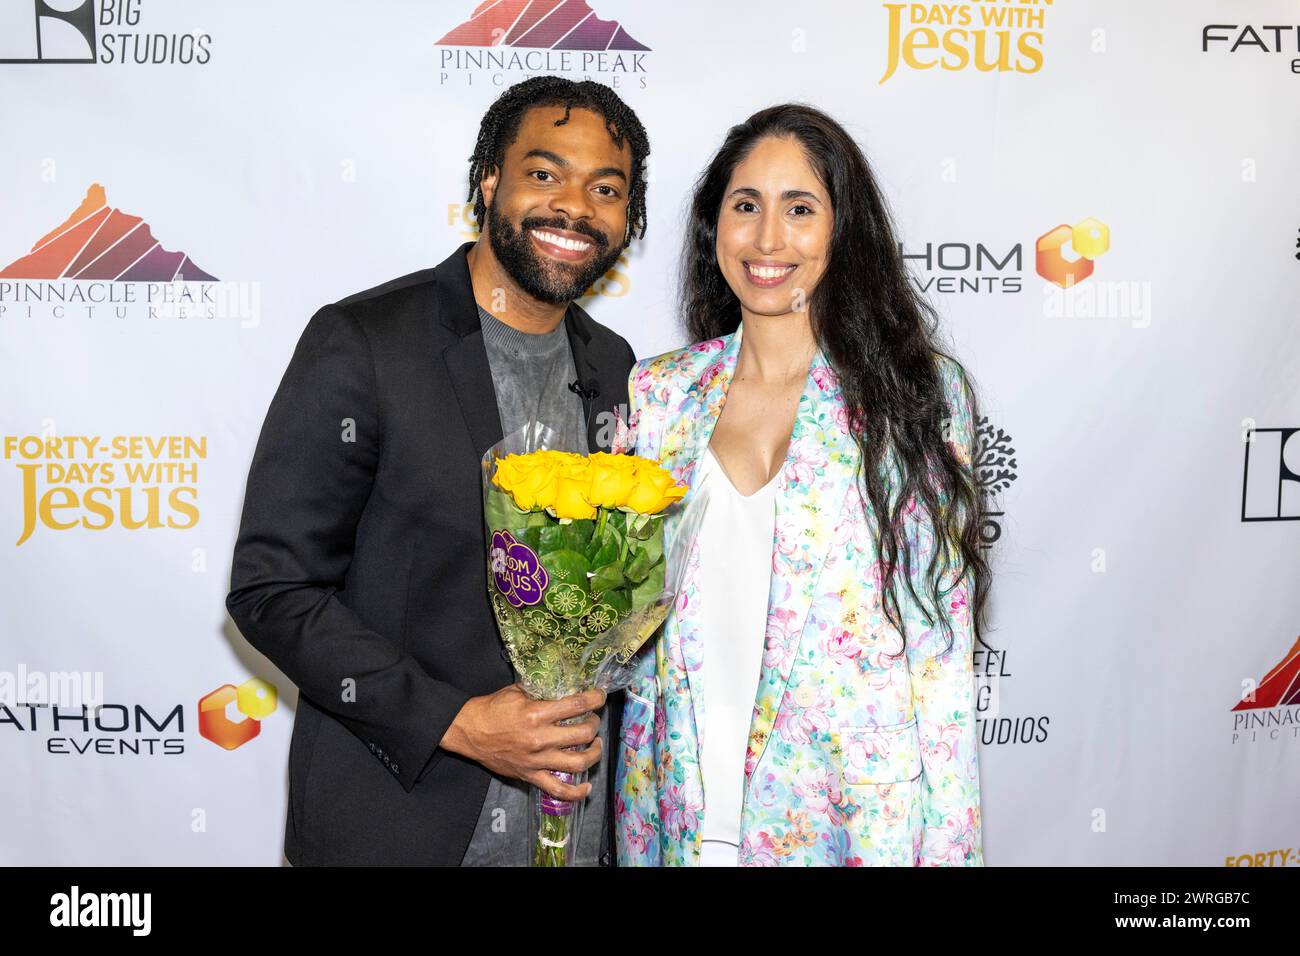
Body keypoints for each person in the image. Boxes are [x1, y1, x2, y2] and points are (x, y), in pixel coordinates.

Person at [225, 76, 650, 866]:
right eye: (544, 173)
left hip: (576, 831)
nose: (574, 208)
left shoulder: (619, 367)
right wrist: (459, 721)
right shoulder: (364, 340)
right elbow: (271, 589)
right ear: (489, 179)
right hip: (401, 827)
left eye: (606, 188)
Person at [612, 103, 990, 866]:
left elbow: (941, 656)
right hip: (680, 816)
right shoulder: (660, 394)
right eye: (745, 206)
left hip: (850, 825)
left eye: (801, 209)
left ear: (843, 230)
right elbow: (638, 644)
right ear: (713, 224)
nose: (768, 239)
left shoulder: (915, 397)